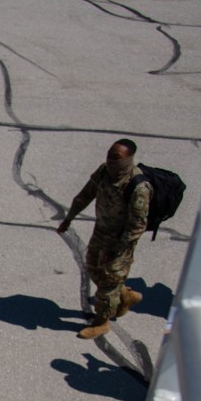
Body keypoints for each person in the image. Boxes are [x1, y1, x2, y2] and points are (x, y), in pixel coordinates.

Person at [57, 138, 151, 339]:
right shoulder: (104, 172)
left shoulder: (138, 187)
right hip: (100, 233)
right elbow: (85, 195)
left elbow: (137, 225)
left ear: (129, 159)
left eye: (116, 157)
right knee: (94, 270)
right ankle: (125, 295)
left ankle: (101, 322)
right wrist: (69, 218)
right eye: (109, 155)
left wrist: (116, 250)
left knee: (108, 282)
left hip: (121, 242)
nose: (110, 160)